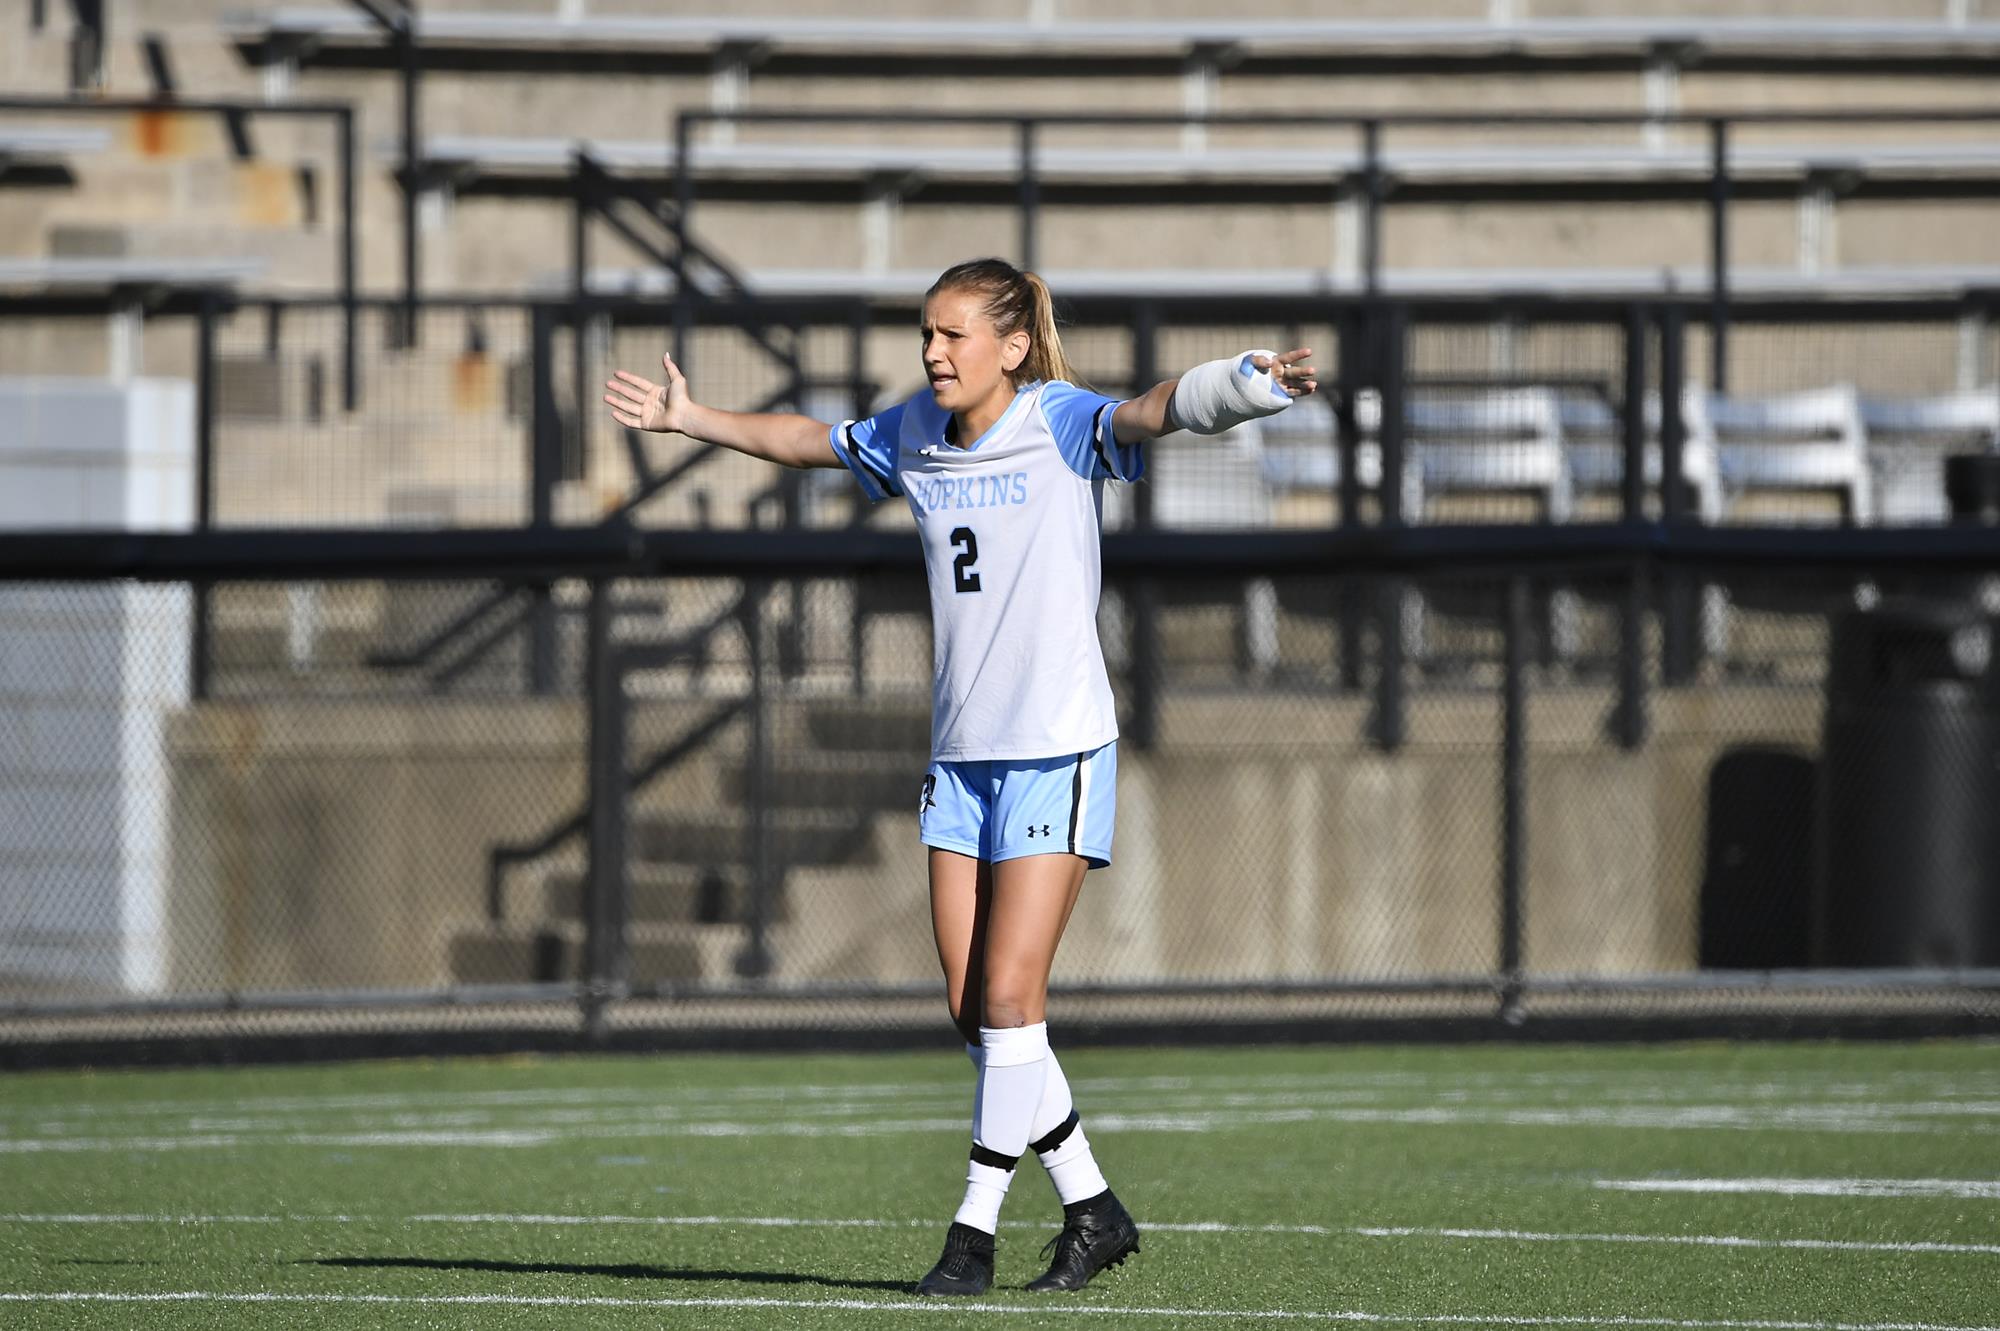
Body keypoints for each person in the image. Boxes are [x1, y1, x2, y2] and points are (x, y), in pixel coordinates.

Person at [604, 258, 1316, 1296]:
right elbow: (809, 441)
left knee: (1010, 993)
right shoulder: (913, 432)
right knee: (971, 1006)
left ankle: (969, 1235)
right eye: (925, 335)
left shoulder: (1057, 419)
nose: (933, 352)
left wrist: (1240, 384)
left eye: (952, 335)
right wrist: (692, 417)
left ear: (1011, 347)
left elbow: (1150, 409)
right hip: (961, 756)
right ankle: (1093, 1207)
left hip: (1055, 750)